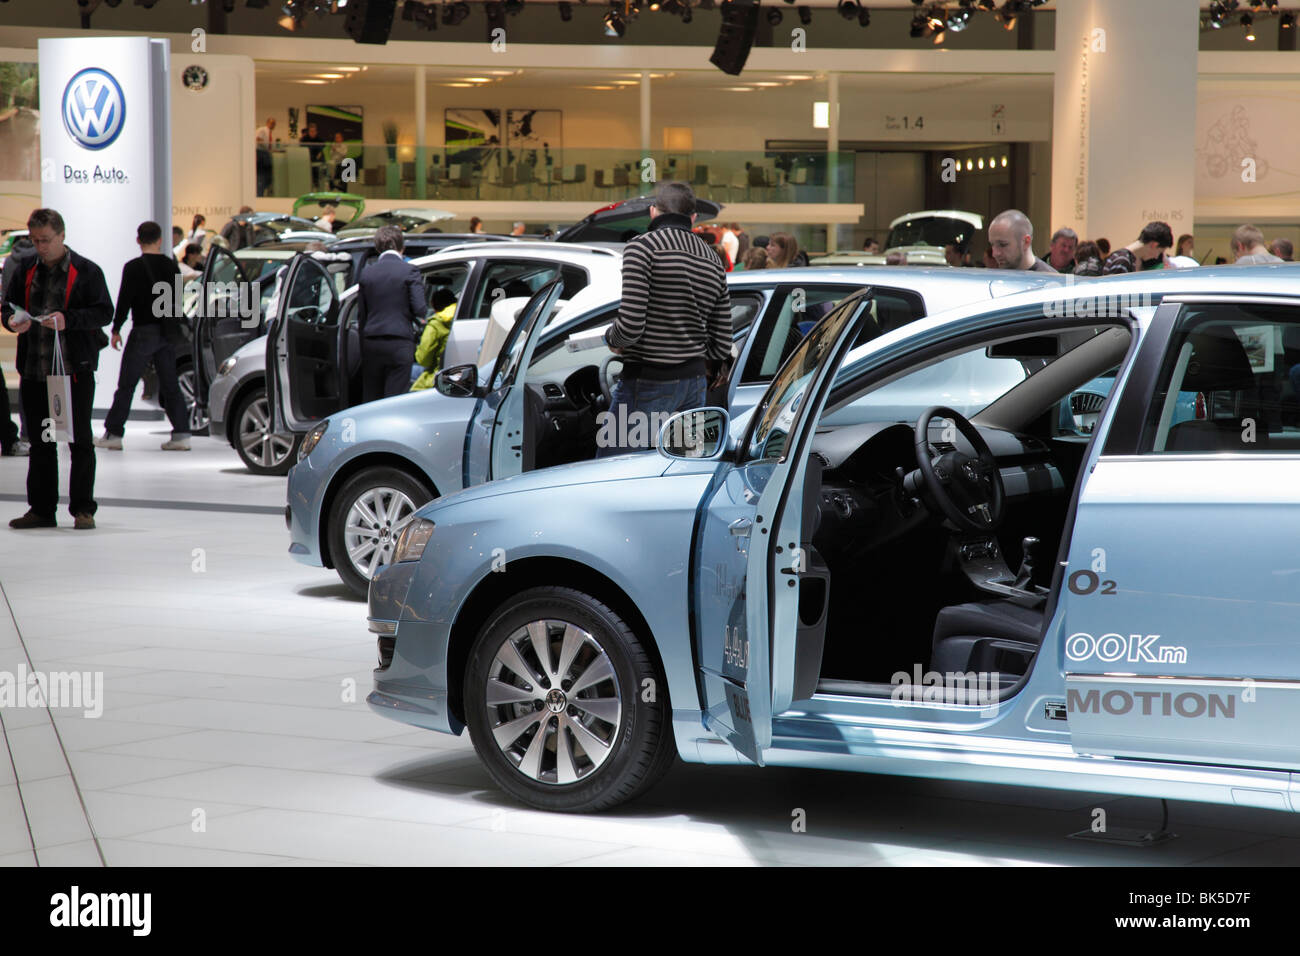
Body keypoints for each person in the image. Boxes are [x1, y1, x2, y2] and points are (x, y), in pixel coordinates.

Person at [0, 208, 113, 530]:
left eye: (46, 240)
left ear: (62, 235)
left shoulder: (86, 271)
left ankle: (82, 509)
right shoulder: (24, 270)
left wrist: (69, 320)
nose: (41, 246)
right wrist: (10, 320)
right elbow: (7, 305)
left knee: (79, 441)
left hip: (73, 370)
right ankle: (41, 509)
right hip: (34, 370)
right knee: (40, 442)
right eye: (36, 240)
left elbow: (104, 312)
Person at [600, 181, 730, 455]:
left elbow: (630, 326)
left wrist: (611, 338)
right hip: (695, 385)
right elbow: (721, 344)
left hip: (648, 380)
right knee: (678, 471)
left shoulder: (642, 248)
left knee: (611, 471)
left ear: (653, 212)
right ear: (693, 217)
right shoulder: (712, 259)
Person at [95, 221, 192, 453]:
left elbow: (124, 299)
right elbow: (177, 299)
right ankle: (181, 434)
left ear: (138, 240)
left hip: (143, 331)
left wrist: (116, 328)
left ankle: (114, 433)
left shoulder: (133, 267)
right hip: (166, 332)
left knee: (127, 384)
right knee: (170, 385)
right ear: (159, 240)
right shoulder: (171, 266)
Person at [357, 225, 426, 404]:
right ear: (402, 247)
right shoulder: (409, 271)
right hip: (400, 342)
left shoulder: (367, 273)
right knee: (394, 401)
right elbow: (420, 309)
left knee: (372, 400)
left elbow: (361, 315)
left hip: (372, 343)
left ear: (378, 247)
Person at [410, 288, 459, 391]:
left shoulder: (436, 324)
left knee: (406, 370)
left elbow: (423, 360)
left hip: (436, 376)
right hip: (456, 374)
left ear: (433, 305)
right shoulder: (460, 319)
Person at [987, 210, 1056, 272]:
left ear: (1026, 242)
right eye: (992, 244)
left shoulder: (1051, 282)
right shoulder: (996, 279)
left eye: (1002, 244)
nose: (995, 254)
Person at [1102, 221, 1173, 275]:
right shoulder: (1122, 260)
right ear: (1154, 245)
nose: (1156, 257)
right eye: (1159, 252)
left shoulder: (1128, 259)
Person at [298, 121, 325, 188]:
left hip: (317, 160)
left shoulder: (320, 140)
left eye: (314, 131)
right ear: (308, 132)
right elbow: (302, 151)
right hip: (307, 159)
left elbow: (322, 150)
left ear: (316, 132)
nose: (312, 133)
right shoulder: (304, 140)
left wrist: (319, 155)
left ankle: (317, 183)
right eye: (311, 131)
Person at [255, 117, 276, 197]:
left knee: (267, 175)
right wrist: (267, 148)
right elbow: (258, 140)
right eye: (272, 123)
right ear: (267, 123)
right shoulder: (262, 130)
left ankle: (263, 190)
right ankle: (259, 193)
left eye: (274, 124)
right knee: (262, 174)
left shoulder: (269, 132)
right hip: (261, 153)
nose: (273, 125)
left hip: (265, 153)